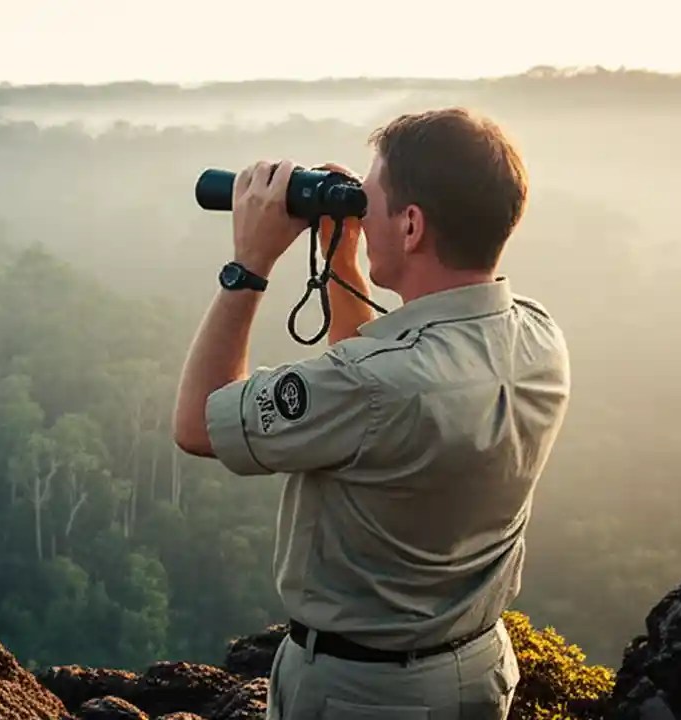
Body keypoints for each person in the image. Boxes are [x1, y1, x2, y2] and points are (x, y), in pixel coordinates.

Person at [172, 107, 571, 720]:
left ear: (411, 225)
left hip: (364, 694)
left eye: (369, 198)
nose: (360, 210)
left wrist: (248, 266)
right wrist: (343, 255)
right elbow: (377, 378)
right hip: (479, 672)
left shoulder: (376, 386)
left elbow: (198, 424)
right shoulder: (539, 336)